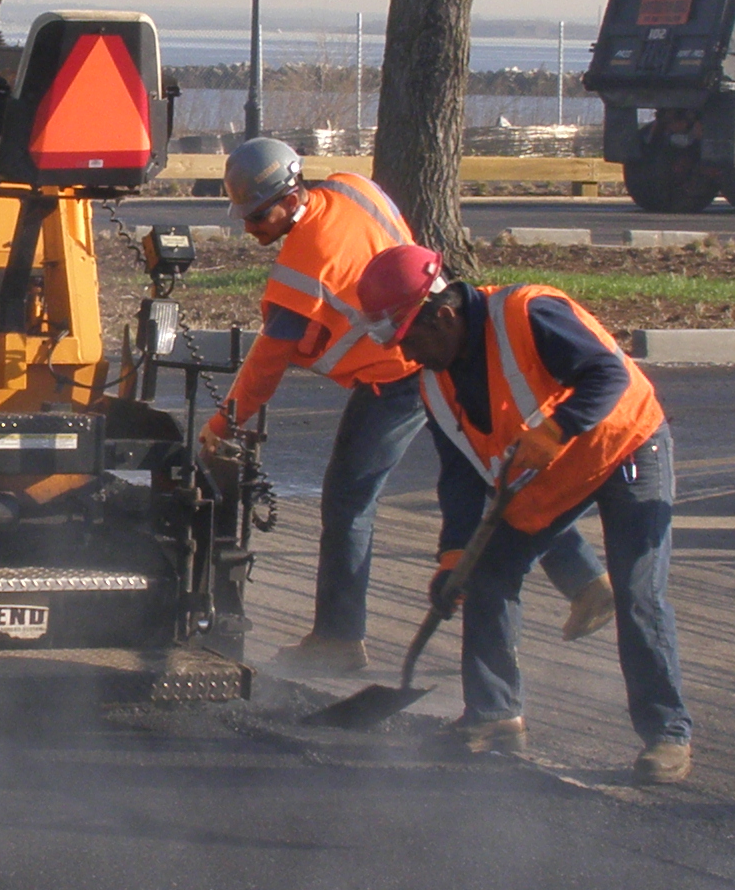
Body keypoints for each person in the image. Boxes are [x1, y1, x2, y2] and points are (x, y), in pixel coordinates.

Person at [196, 136, 609, 676]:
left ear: (289, 197)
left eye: (256, 218)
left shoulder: (303, 263)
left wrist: (223, 421)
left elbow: (267, 364)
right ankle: (586, 581)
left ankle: (339, 639)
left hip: (395, 376)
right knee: (492, 470)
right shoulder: (351, 186)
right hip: (442, 343)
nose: (250, 230)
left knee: (348, 502)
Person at [358, 243, 693, 781]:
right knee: (488, 572)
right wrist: (452, 559)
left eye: (410, 340)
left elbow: (610, 374)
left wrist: (557, 428)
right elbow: (462, 477)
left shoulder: (528, 313)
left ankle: (667, 734)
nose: (409, 355)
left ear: (443, 317)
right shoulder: (435, 383)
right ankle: (494, 715)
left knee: (637, 592)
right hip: (553, 473)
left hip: (624, 445)